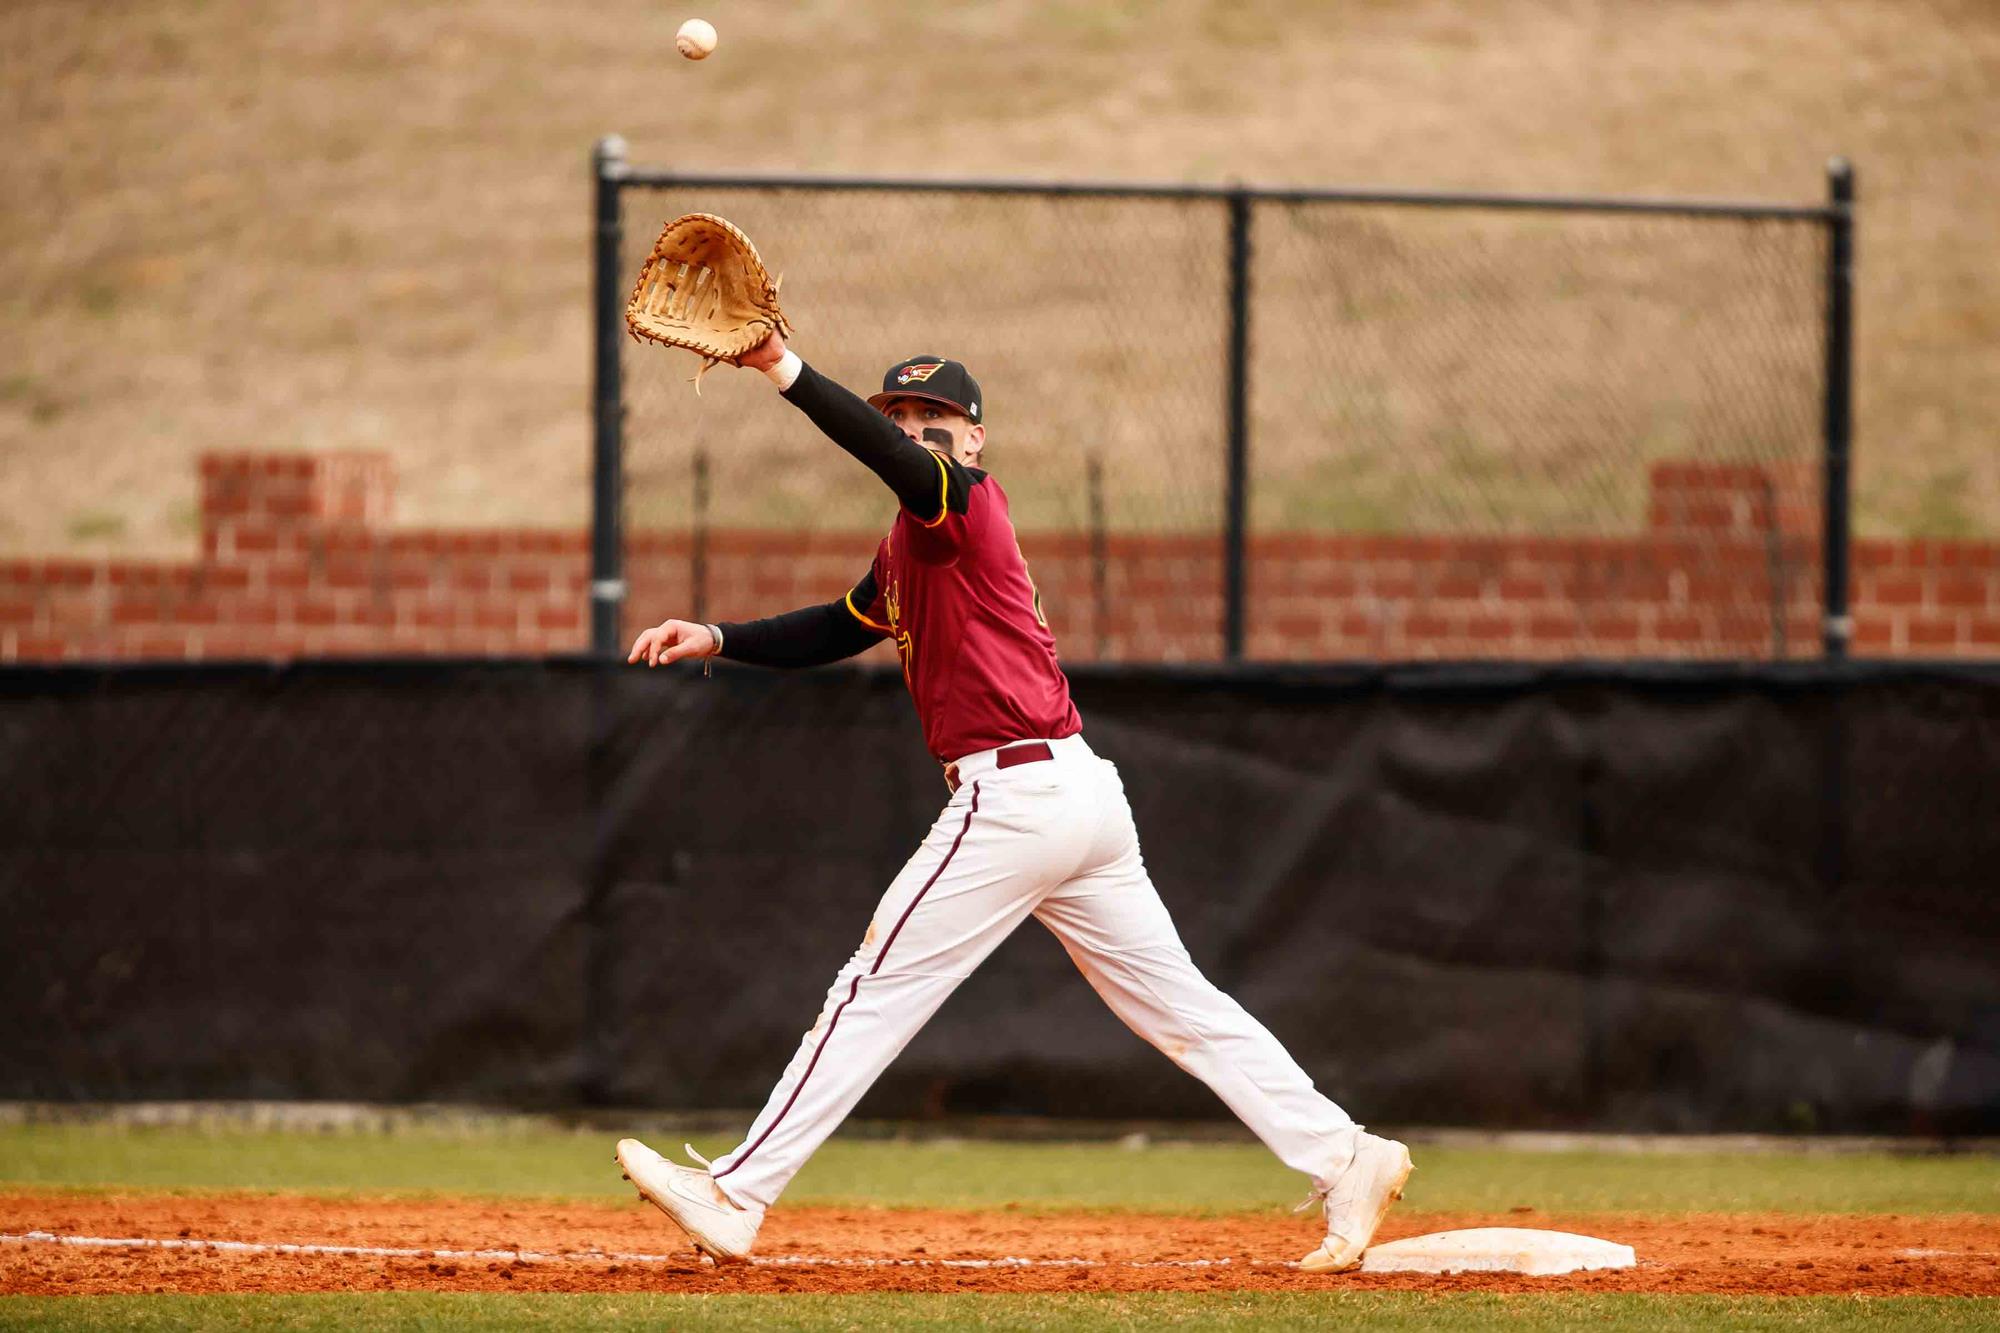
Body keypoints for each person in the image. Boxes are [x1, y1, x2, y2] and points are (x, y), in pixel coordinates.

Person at [615, 332, 1411, 1272]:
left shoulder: (962, 502)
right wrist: (717, 634)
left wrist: (781, 367)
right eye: (902, 418)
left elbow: (900, 467)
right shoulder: (911, 540)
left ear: (976, 439)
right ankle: (1345, 1155)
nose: (917, 432)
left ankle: (735, 1193)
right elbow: (839, 625)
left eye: (936, 420)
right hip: (1076, 795)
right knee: (1180, 1004)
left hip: (1018, 797)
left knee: (873, 988)